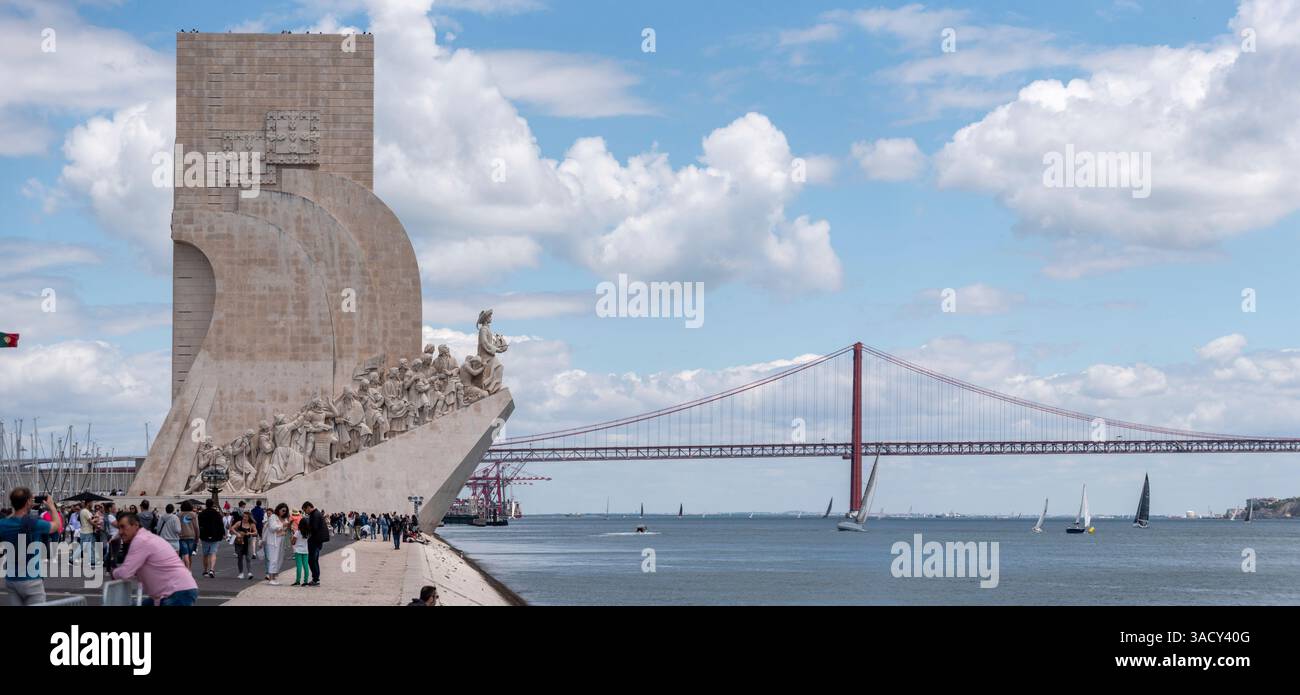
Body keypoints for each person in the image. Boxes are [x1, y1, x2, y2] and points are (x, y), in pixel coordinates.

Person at [110, 512, 199, 606]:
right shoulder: (147, 537)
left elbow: (125, 573)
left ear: (135, 525)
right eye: (118, 528)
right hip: (176, 590)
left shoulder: (141, 540)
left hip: (176, 593)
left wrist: (114, 573)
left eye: (123, 527)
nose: (120, 532)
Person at [0, 487, 63, 605]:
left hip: (12, 579)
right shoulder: (35, 524)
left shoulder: (3, 524)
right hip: (31, 579)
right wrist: (52, 507)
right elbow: (56, 525)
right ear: (28, 502)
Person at [301, 501, 328, 586]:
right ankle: (316, 579)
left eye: (305, 510)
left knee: (312, 560)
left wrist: (307, 527)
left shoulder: (315, 514)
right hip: (317, 540)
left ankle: (315, 579)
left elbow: (314, 528)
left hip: (315, 540)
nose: (306, 513)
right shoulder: (317, 513)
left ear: (308, 507)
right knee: (314, 560)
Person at [197, 499, 225, 578]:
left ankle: (205, 570)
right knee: (213, 553)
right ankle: (212, 569)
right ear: (213, 505)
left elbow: (199, 525)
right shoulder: (217, 514)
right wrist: (223, 533)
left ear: (206, 505)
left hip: (204, 535)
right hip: (215, 535)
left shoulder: (202, 514)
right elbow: (221, 524)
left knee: (205, 554)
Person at [263, 503, 289, 584]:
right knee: (273, 559)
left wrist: (286, 526)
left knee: (279, 559)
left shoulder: (284, 518)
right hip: (273, 542)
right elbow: (272, 528)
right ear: (279, 509)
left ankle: (274, 577)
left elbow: (285, 528)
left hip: (281, 541)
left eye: (285, 511)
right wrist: (282, 525)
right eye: (283, 510)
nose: (284, 512)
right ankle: (271, 578)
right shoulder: (273, 517)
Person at [230, 512, 257, 579]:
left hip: (248, 542)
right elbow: (232, 528)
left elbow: (256, 532)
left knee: (248, 558)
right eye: (244, 516)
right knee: (240, 558)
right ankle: (241, 573)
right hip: (239, 542)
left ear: (249, 518)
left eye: (246, 517)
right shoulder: (239, 523)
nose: (244, 518)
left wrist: (250, 533)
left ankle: (249, 573)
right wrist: (237, 533)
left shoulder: (252, 524)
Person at [177, 501, 199, 568]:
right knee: (189, 555)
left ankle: (186, 569)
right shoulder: (194, 515)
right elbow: (196, 527)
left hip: (182, 536)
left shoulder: (179, 515)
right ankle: (189, 569)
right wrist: (197, 537)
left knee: (184, 554)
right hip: (191, 536)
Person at [290, 516, 309, 587]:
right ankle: (306, 581)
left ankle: (298, 581)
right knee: (306, 566)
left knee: (299, 566)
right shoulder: (308, 533)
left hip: (298, 550)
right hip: (306, 551)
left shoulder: (298, 532)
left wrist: (291, 538)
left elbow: (293, 542)